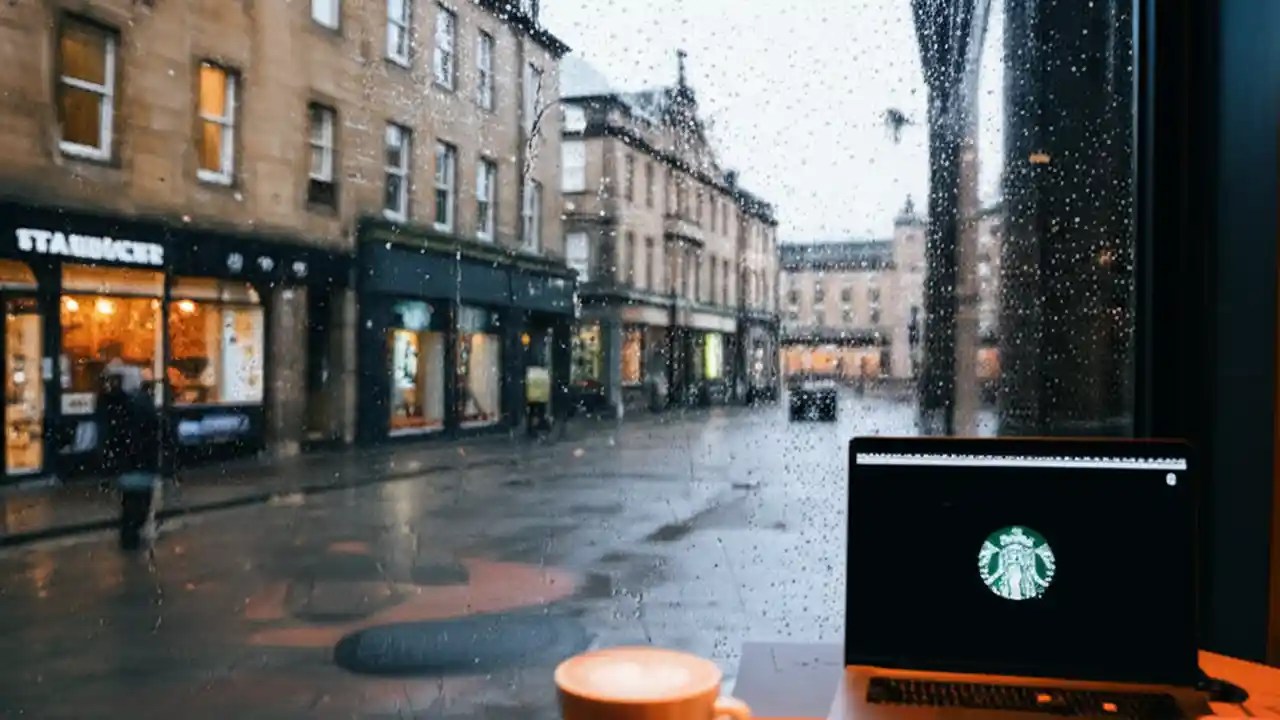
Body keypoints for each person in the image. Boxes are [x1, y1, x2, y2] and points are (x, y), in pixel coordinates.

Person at [99, 375, 163, 551]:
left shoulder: (123, 408)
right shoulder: (146, 409)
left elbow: (114, 436)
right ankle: (131, 534)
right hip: (142, 465)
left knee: (130, 503)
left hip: (128, 465)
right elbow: (155, 436)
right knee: (140, 503)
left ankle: (129, 535)